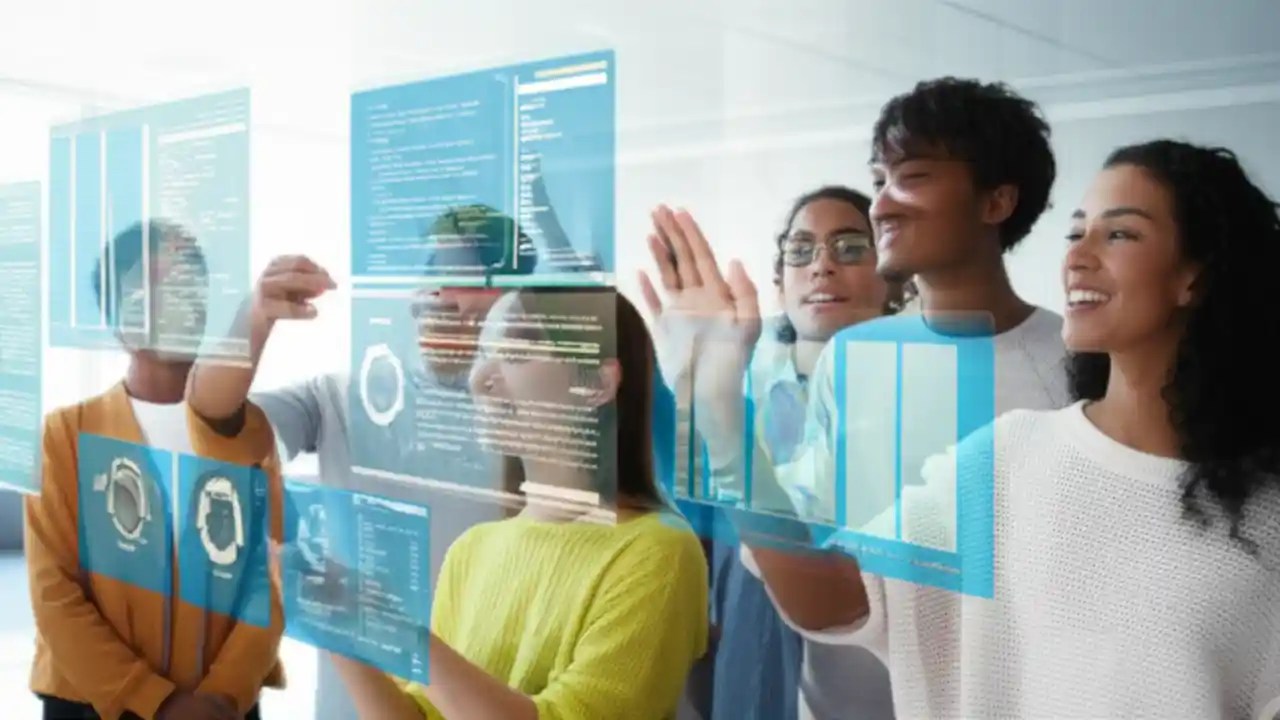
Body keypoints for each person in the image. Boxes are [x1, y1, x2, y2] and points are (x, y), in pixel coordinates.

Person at [759, 140, 1280, 715]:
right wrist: (721, 429)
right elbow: (840, 598)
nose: (1077, 257)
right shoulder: (1007, 457)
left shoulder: (1268, 518)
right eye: (1076, 232)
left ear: (1196, 276)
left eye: (1120, 234)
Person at [322, 287, 710, 719]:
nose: (478, 378)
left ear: (597, 383)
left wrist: (401, 635)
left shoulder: (660, 554)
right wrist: (341, 627)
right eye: (486, 352)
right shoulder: (472, 549)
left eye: (517, 350)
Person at [640, 188, 903, 719]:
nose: (822, 266)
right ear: (779, 281)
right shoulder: (734, 385)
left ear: (893, 278)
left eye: (850, 248)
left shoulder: (922, 396)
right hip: (752, 660)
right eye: (800, 251)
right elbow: (692, 518)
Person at [25, 220, 284, 720]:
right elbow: (52, 591)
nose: (172, 301)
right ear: (114, 316)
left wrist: (221, 696)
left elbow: (268, 579)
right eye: (148, 288)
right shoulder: (64, 435)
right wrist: (157, 703)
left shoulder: (248, 432)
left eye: (185, 283)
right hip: (91, 703)